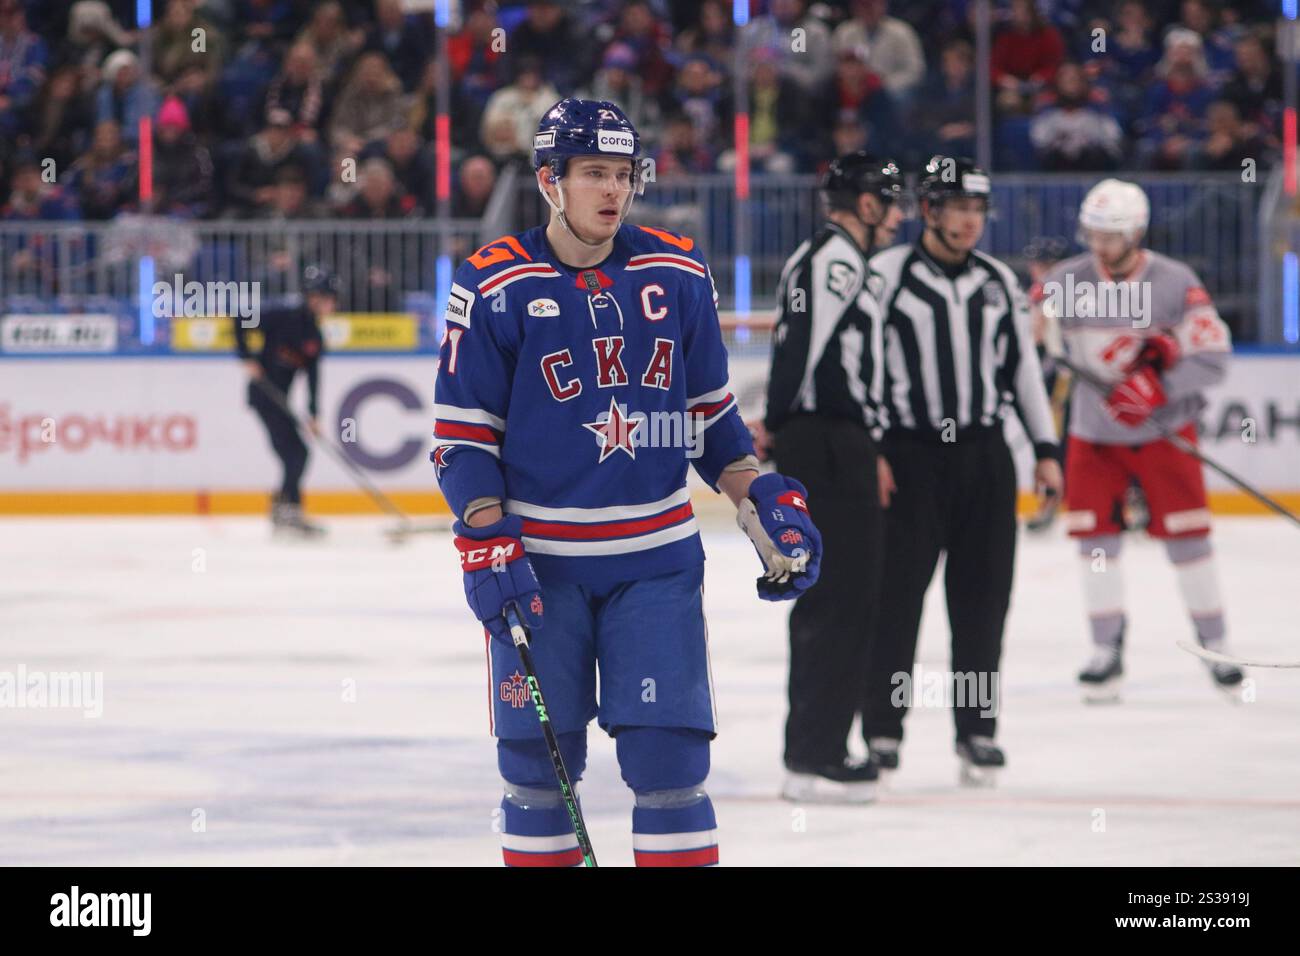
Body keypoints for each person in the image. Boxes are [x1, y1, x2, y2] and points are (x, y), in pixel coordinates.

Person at [432, 98, 822, 867]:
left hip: (656, 561)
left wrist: (759, 502)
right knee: (537, 777)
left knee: (670, 764)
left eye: (623, 174)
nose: (613, 191)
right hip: (540, 565)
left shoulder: (677, 271)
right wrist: (485, 534)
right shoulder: (492, 285)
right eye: (593, 174)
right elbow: (462, 439)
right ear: (550, 181)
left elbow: (712, 420)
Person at [862, 156, 1063, 785]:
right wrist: (872, 450)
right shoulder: (884, 276)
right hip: (910, 457)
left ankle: (976, 731)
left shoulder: (1000, 282)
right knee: (896, 602)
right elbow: (860, 365)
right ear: (929, 211)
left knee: (982, 603)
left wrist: (1046, 450)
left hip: (984, 459)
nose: (971, 222)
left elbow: (1023, 373)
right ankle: (883, 730)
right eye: (959, 209)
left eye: (978, 210)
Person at [1034, 179, 1243, 701]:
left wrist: (1159, 388)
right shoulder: (1066, 280)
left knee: (1189, 543)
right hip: (1094, 435)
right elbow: (1022, 333)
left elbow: (1213, 358)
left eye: (1112, 235)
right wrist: (1030, 324)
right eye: (1093, 234)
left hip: (1164, 435)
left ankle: (1216, 645)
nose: (1100, 246)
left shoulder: (1175, 283)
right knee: (1096, 546)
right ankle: (1106, 650)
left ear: (1137, 232)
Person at [759, 152, 907, 803]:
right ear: (865, 204)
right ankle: (816, 753)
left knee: (838, 595)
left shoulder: (819, 256)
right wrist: (782, 423)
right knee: (843, 595)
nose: (901, 214)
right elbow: (803, 350)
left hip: (825, 438)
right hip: (826, 440)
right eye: (892, 201)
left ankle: (814, 748)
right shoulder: (839, 260)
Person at [235, 265, 338, 537]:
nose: (332, 304)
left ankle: (285, 507)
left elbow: (314, 377)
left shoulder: (314, 337)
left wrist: (315, 414)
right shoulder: (282, 317)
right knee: (296, 454)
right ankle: (287, 510)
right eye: (328, 297)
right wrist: (246, 357)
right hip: (264, 395)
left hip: (281, 400)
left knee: (296, 454)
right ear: (314, 296)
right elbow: (240, 318)